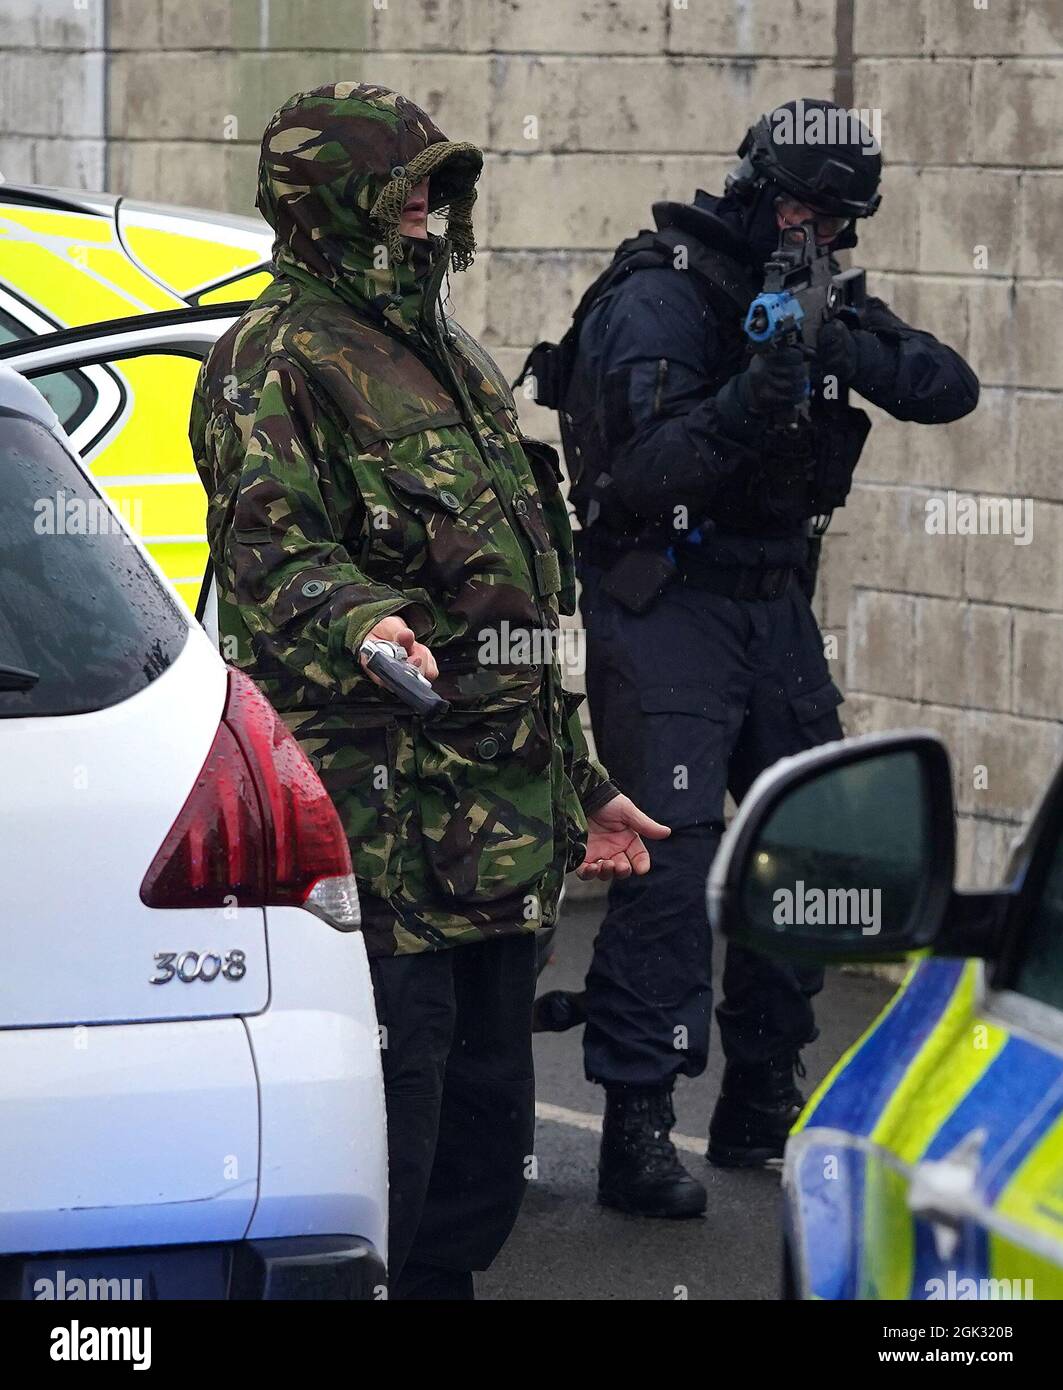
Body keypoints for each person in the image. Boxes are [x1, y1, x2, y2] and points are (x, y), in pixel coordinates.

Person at [189, 82, 667, 1297]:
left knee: (486, 1136)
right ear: (323, 202)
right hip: (381, 836)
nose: (424, 213)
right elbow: (272, 550)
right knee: (389, 1136)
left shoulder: (447, 358)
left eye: (437, 191)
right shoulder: (272, 360)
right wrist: (362, 619)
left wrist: (585, 786)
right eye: (400, 191)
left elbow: (518, 603)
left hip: (497, 841)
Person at [552, 98, 980, 1217]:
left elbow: (946, 386)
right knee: (671, 855)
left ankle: (760, 1097)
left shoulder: (821, 289)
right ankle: (638, 1121)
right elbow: (633, 476)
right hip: (666, 596)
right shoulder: (662, 291)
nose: (814, 230)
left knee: (816, 845)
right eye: (799, 206)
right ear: (752, 188)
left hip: (772, 601)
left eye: (835, 218)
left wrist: (828, 335)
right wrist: (751, 397)